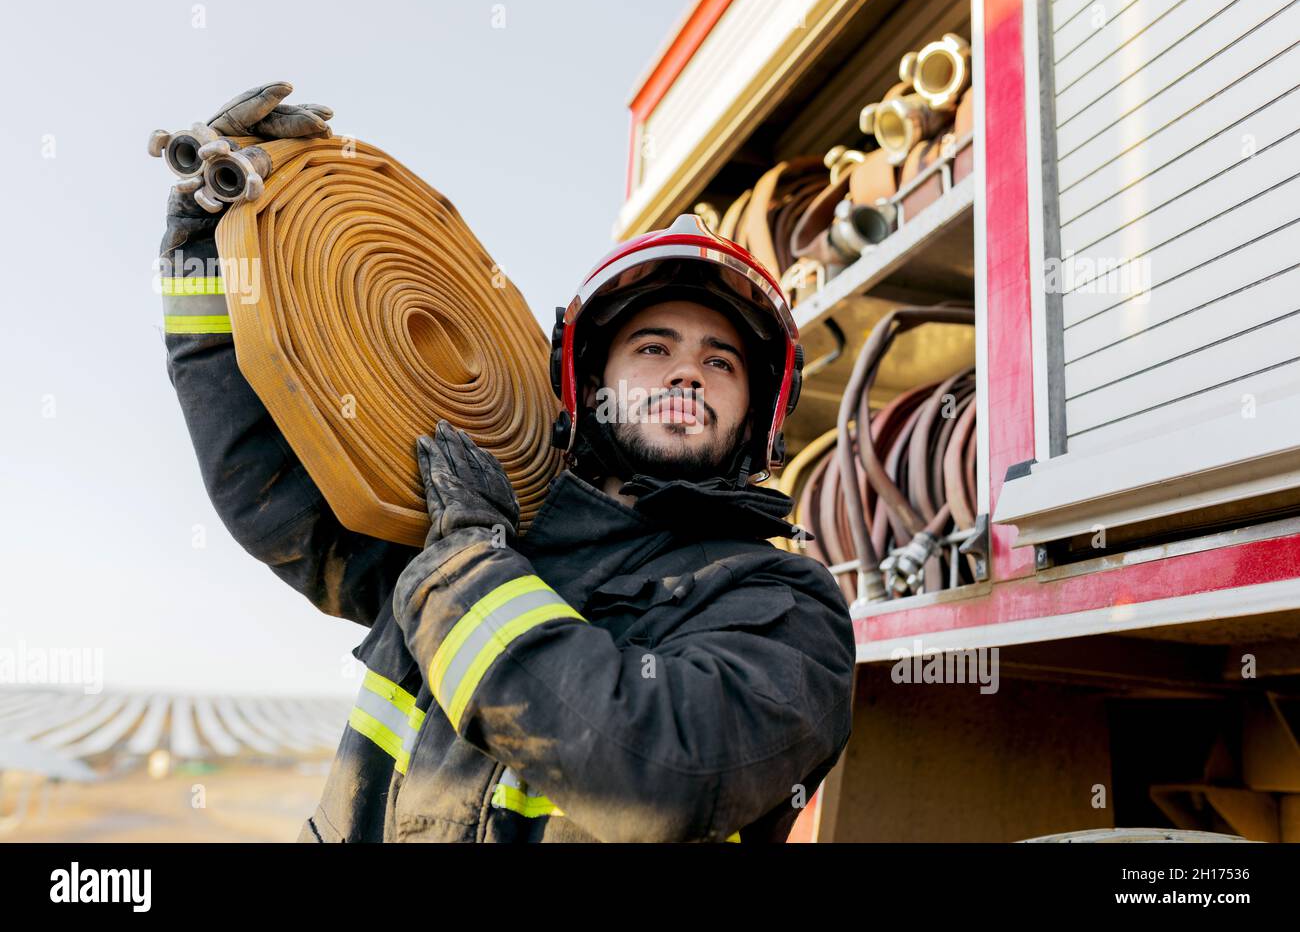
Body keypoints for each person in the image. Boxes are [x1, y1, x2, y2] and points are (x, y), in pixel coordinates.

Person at [159, 83, 856, 843]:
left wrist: (465, 566)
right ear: (588, 387)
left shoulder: (781, 602)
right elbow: (275, 494)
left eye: (720, 362)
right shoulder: (492, 524)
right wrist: (213, 249)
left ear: (759, 412)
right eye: (653, 349)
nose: (686, 374)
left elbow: (663, 777)